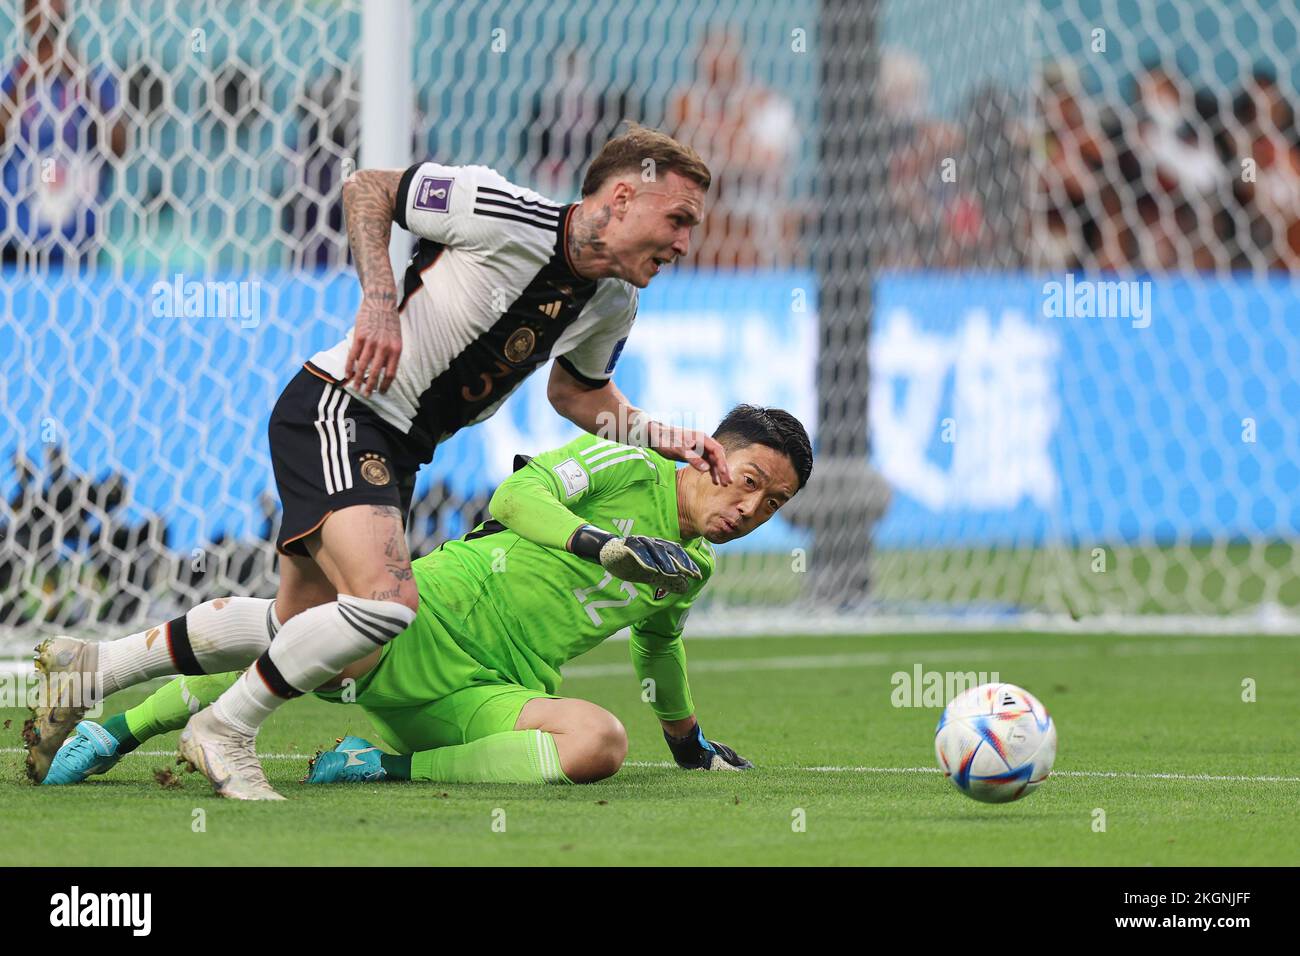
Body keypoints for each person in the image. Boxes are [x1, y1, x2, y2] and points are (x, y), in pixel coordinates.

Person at [25, 122, 733, 799]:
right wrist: (379, 299)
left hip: (398, 448)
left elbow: (575, 390)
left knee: (304, 628)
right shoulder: (502, 210)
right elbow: (370, 187)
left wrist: (654, 432)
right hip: (342, 408)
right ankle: (224, 730)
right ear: (621, 198)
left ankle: (98, 666)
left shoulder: (613, 301)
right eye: (678, 220)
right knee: (387, 603)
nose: (683, 242)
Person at [42, 406, 812, 787]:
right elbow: (514, 497)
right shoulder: (622, 458)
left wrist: (689, 748)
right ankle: (115, 726)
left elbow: (657, 645)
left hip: (490, 690)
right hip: (439, 607)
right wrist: (601, 545)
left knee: (598, 744)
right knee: (315, 641)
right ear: (713, 455)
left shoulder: (692, 565)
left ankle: (377, 765)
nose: (750, 511)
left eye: (772, 506)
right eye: (749, 483)